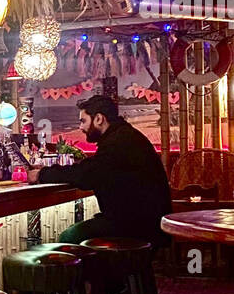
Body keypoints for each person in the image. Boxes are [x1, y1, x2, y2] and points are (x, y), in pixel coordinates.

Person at [30, 94, 172, 246]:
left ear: (99, 119)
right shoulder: (124, 136)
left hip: (138, 226)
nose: (81, 127)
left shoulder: (119, 142)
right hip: (145, 223)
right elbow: (93, 170)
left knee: (69, 237)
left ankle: (93, 269)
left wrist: (41, 174)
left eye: (83, 121)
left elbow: (87, 175)